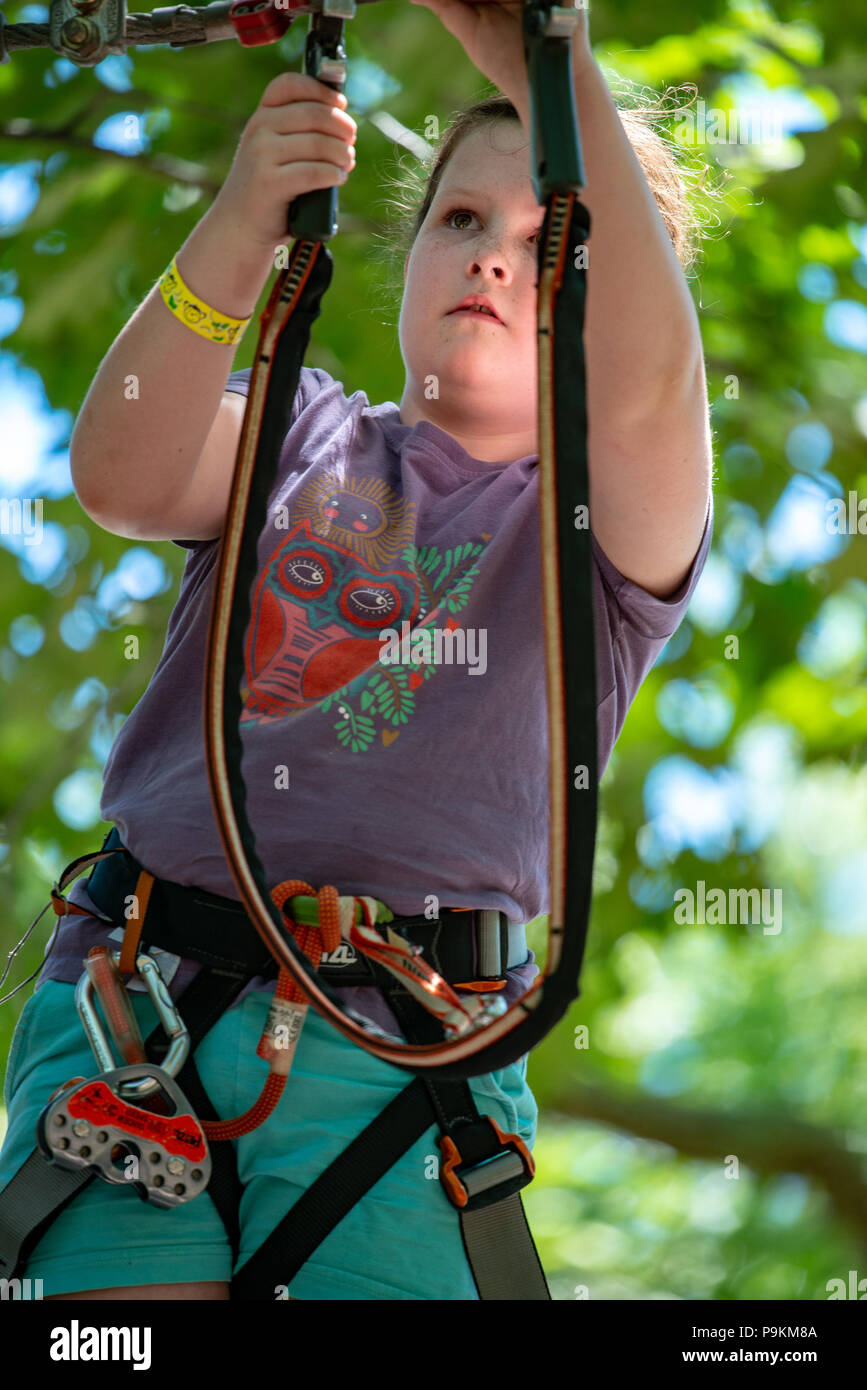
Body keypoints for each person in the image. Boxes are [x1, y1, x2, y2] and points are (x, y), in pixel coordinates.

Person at [0, 4, 713, 1301]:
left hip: (406, 1066)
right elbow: (120, 468)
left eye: (546, 237)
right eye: (459, 221)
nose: (493, 259)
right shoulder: (300, 427)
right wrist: (237, 229)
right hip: (136, 1004)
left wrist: (542, 69)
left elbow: (656, 385)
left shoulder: (596, 535)